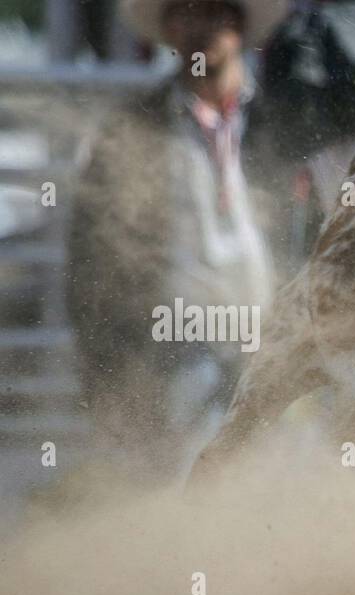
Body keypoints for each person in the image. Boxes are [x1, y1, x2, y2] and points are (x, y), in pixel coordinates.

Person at [66, 0, 288, 480]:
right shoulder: (133, 126)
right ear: (167, 29)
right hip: (178, 336)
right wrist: (104, 367)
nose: (200, 28)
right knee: (193, 471)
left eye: (214, 14)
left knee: (281, 469)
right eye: (185, 14)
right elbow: (91, 255)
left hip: (273, 332)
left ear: (238, 27)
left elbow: (315, 220)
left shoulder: (280, 117)